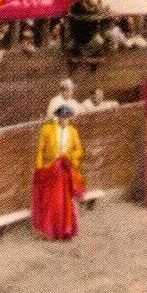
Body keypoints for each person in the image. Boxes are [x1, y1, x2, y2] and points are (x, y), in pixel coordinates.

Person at [32, 99, 87, 240]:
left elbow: (79, 150)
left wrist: (69, 158)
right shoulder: (47, 129)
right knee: (50, 201)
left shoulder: (73, 131)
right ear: (58, 117)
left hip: (64, 171)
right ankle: (50, 230)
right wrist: (40, 168)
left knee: (64, 201)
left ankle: (64, 229)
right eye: (63, 117)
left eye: (67, 117)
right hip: (50, 169)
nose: (65, 120)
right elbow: (40, 150)